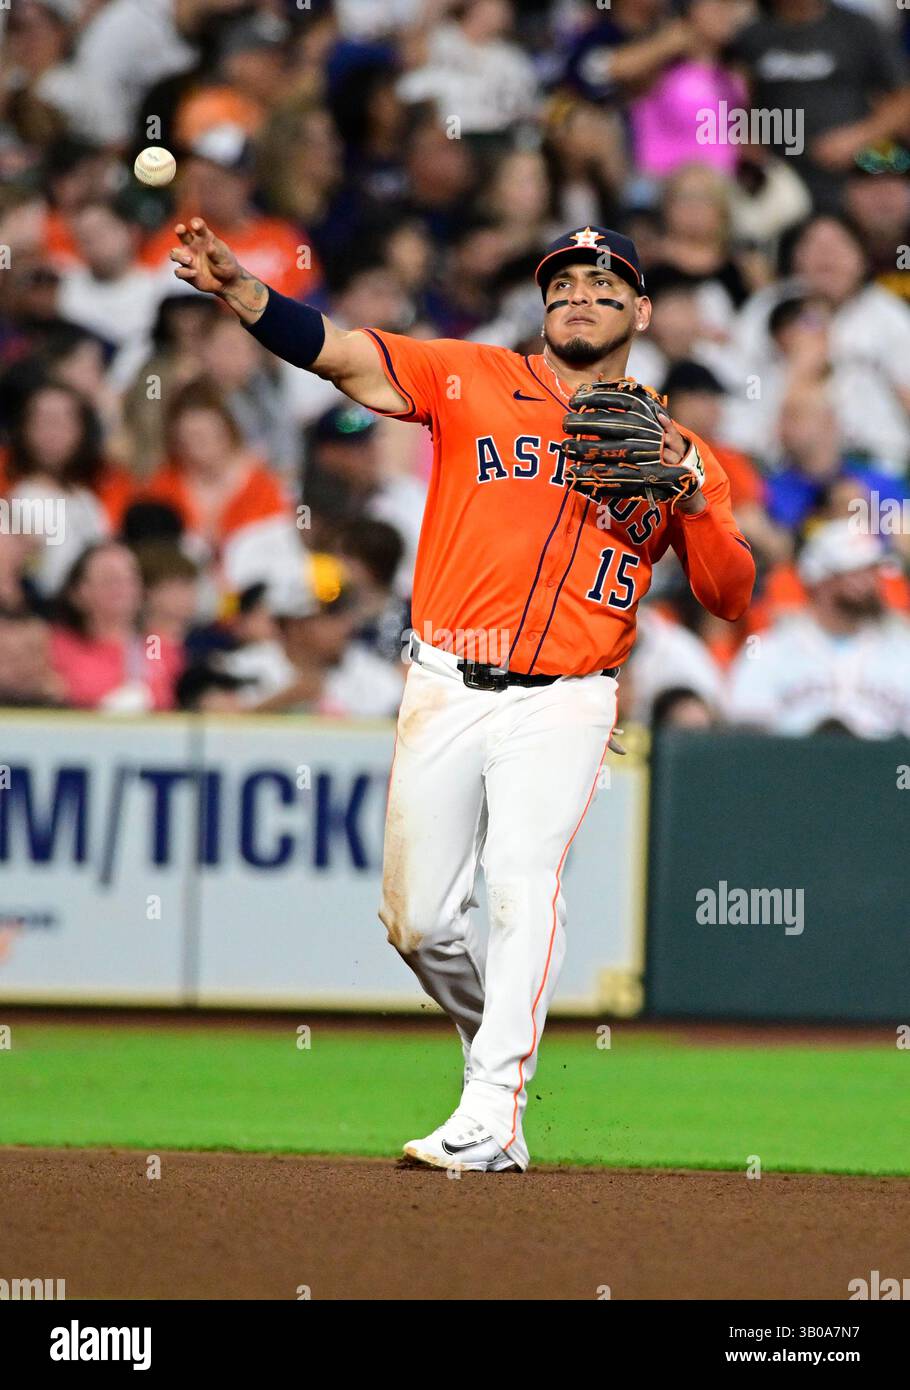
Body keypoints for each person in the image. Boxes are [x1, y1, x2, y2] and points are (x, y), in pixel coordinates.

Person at [169, 214, 754, 1172]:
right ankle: (499, 1051)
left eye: (606, 287)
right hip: (445, 678)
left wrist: (690, 493)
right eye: (564, 284)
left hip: (567, 695)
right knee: (421, 922)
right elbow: (341, 355)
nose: (581, 297)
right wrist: (242, 291)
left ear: (642, 310)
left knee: (523, 880)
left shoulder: (677, 444)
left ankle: (492, 1111)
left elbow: (731, 595)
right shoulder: (473, 376)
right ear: (542, 303)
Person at [726, 520, 910, 737]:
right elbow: (746, 733)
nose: (870, 583)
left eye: (872, 572)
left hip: (880, 768)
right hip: (793, 767)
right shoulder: (769, 650)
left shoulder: (901, 648)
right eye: (856, 573)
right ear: (821, 579)